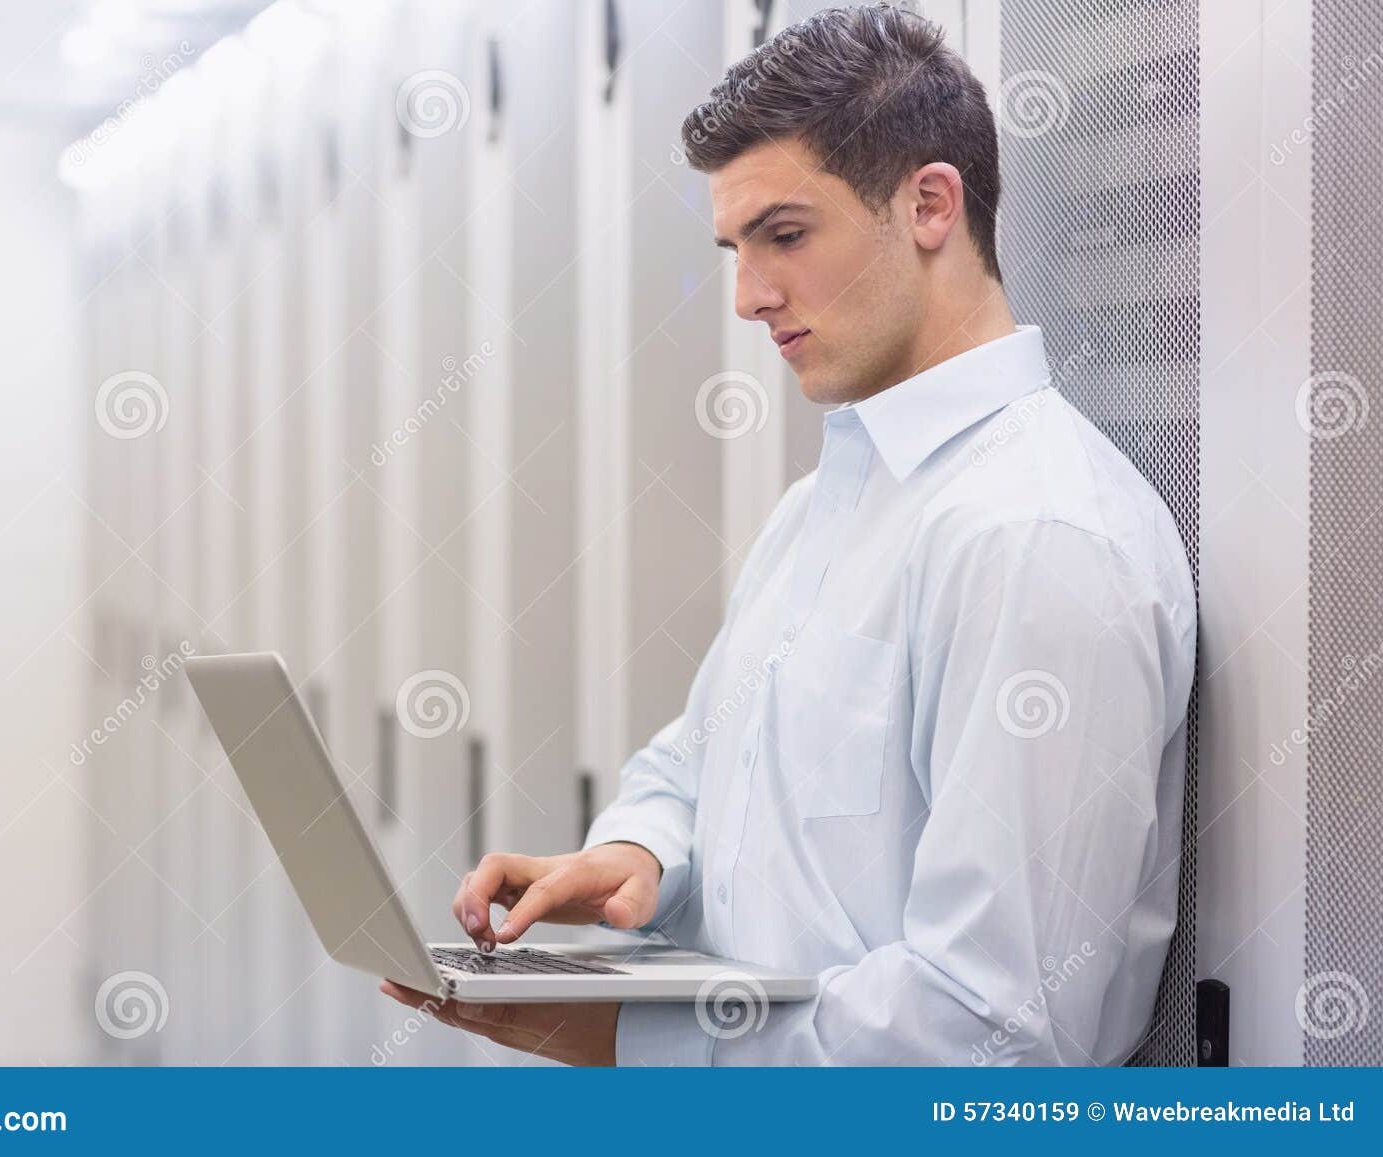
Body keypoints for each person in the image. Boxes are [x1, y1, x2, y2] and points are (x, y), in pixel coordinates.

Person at [381, 3, 1196, 1066]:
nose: (748, 296)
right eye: (732, 246)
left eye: (785, 235)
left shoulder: (1035, 538)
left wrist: (638, 1036)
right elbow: (708, 755)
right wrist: (639, 849)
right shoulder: (824, 503)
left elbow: (996, 1035)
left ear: (929, 205)